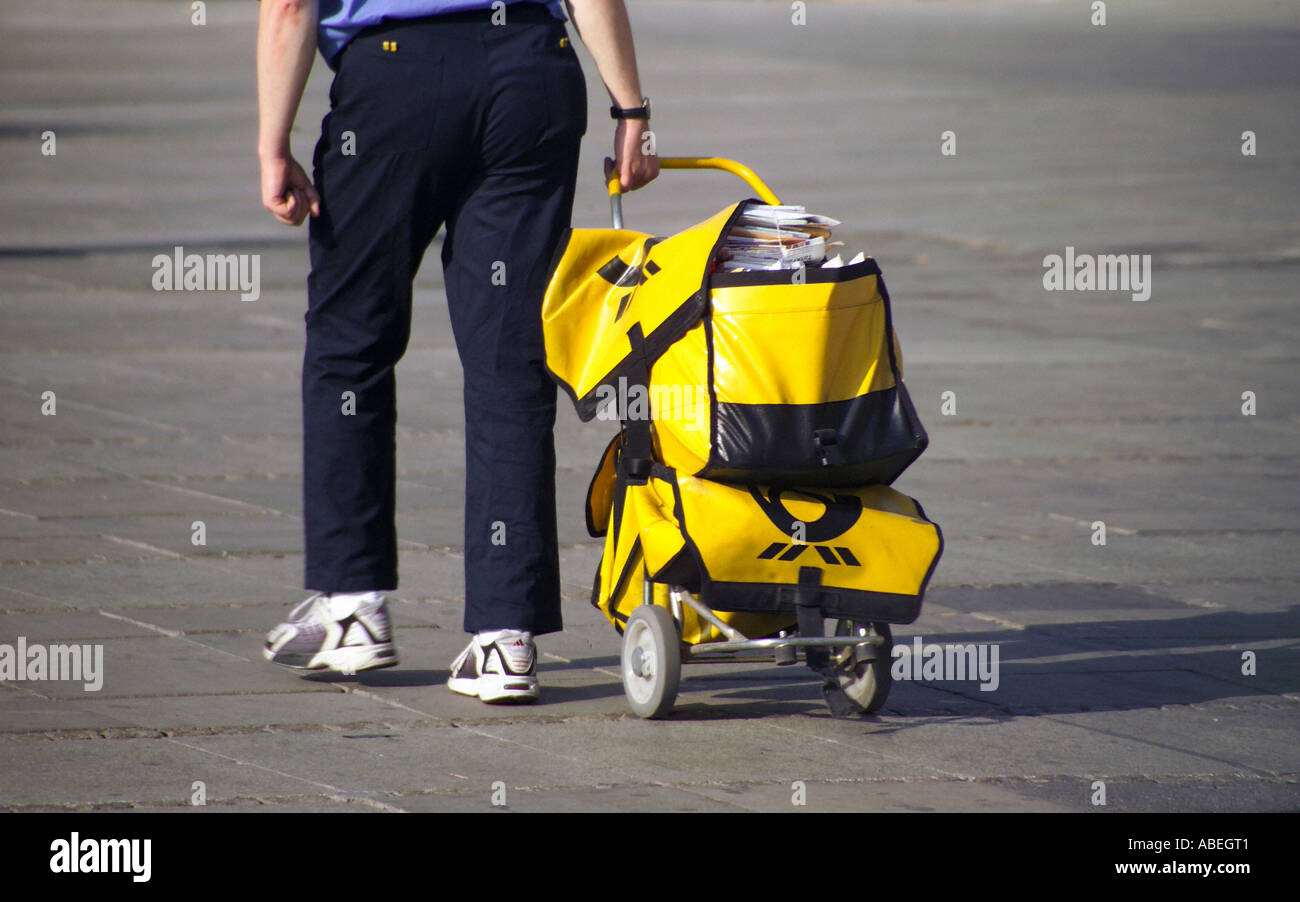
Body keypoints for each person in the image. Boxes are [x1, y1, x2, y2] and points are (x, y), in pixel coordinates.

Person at [256, 0, 658, 702]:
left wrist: (272, 143)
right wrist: (629, 107)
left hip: (394, 81)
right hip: (532, 75)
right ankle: (506, 639)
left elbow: (290, 6)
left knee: (351, 344)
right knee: (511, 358)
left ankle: (353, 606)